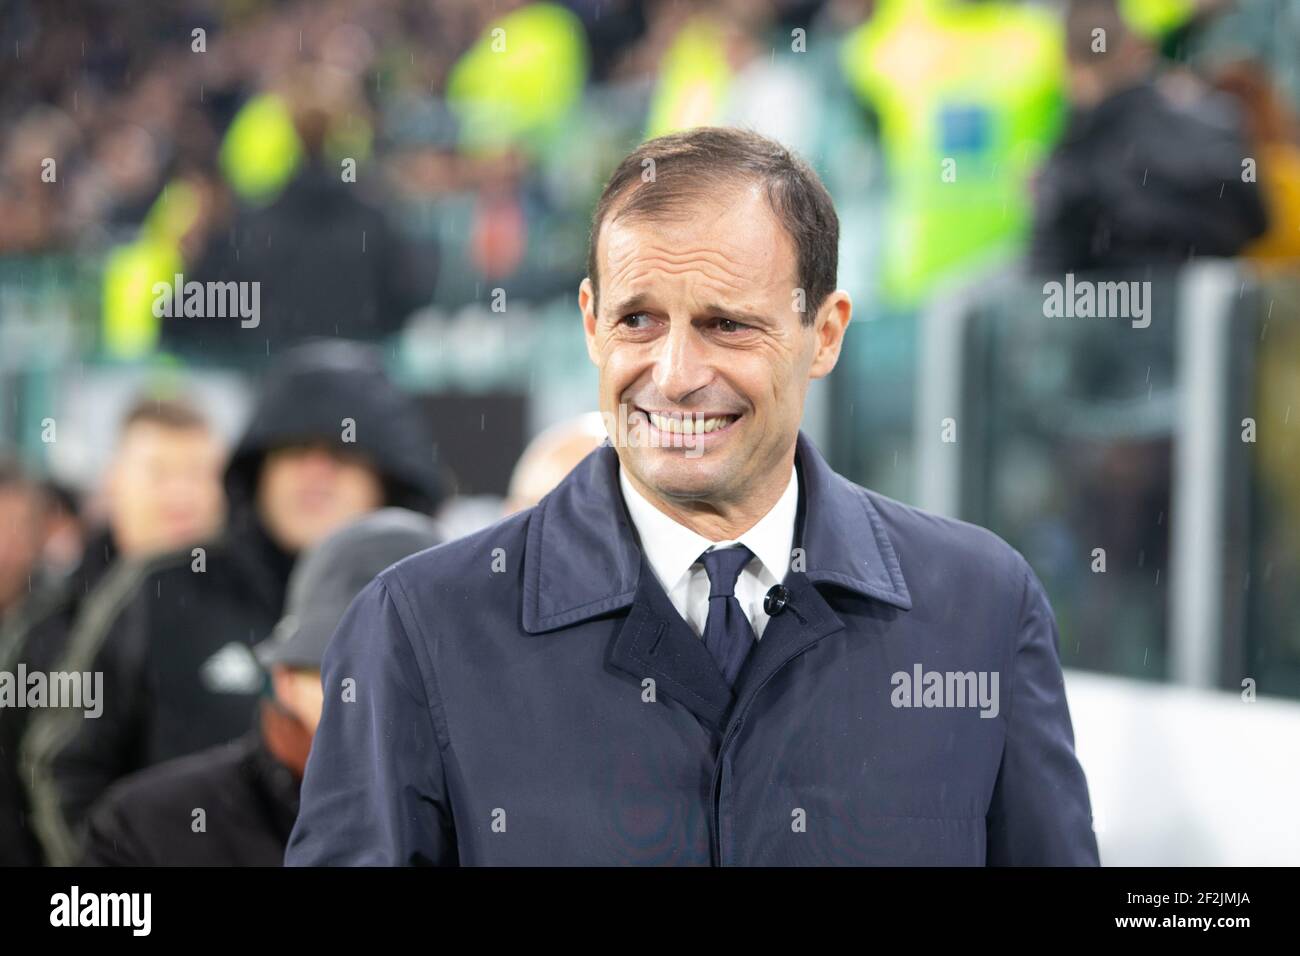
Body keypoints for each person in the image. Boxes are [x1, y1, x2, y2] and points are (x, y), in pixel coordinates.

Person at [286, 127, 1099, 866]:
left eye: (727, 325)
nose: (674, 376)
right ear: (589, 322)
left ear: (826, 332)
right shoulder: (417, 628)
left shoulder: (981, 607)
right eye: (638, 320)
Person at [24, 340, 444, 865]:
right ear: (258, 468)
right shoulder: (162, 588)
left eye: (341, 452)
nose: (316, 472)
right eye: (294, 450)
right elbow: (65, 761)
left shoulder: (432, 603)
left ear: (388, 475)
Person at [79, 509, 442, 866]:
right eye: (342, 675)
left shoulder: (483, 823)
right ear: (284, 680)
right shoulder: (149, 829)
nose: (377, 700)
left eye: (412, 675)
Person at [0, 396, 224, 865]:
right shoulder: (50, 629)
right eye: (159, 472)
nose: (180, 495)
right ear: (115, 480)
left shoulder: (259, 612)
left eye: (199, 473)